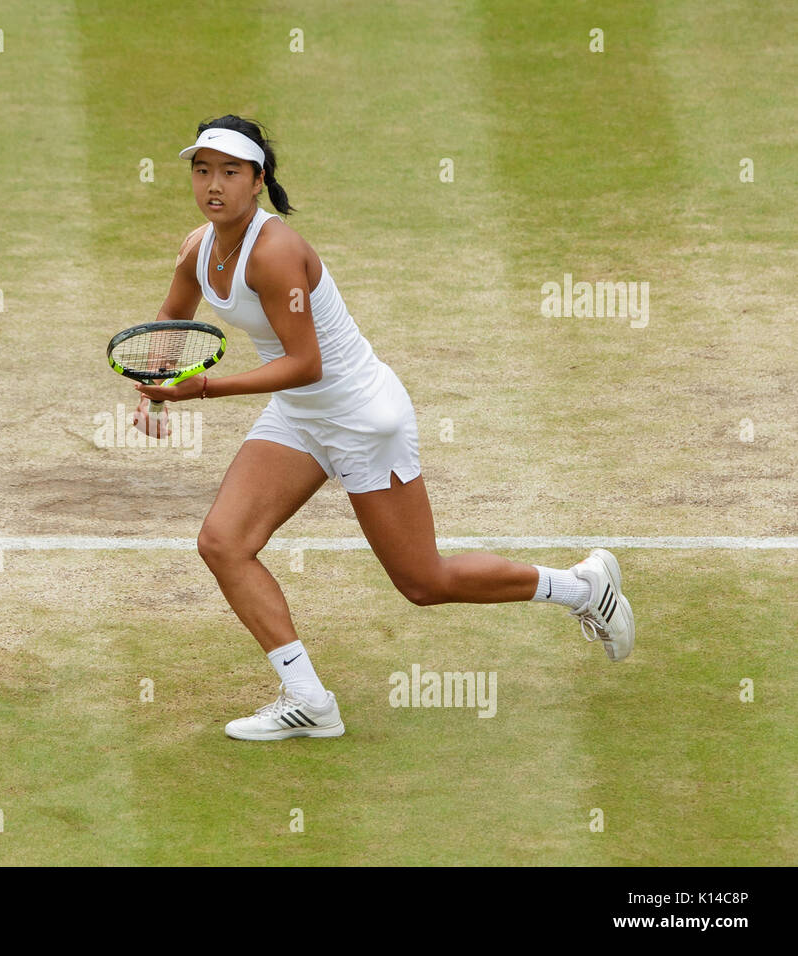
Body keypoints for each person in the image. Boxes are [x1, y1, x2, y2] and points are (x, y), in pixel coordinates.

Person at [131, 115, 635, 741]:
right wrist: (154, 389)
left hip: (362, 419)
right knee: (223, 543)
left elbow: (304, 362)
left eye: (230, 171)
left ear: (257, 180)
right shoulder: (197, 249)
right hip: (302, 412)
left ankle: (582, 589)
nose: (213, 184)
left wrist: (203, 387)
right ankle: (309, 700)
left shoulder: (277, 252)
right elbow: (170, 323)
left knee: (424, 582)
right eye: (202, 170)